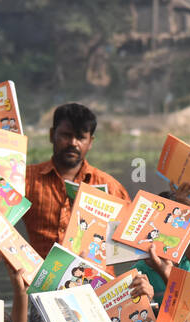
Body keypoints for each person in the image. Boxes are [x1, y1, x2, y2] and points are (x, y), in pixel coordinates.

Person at [23, 103, 130, 258]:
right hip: (43, 279)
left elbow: (132, 239)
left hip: (97, 280)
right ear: (52, 135)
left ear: (90, 142)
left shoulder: (110, 186)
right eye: (66, 135)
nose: (73, 143)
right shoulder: (27, 178)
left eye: (80, 137)